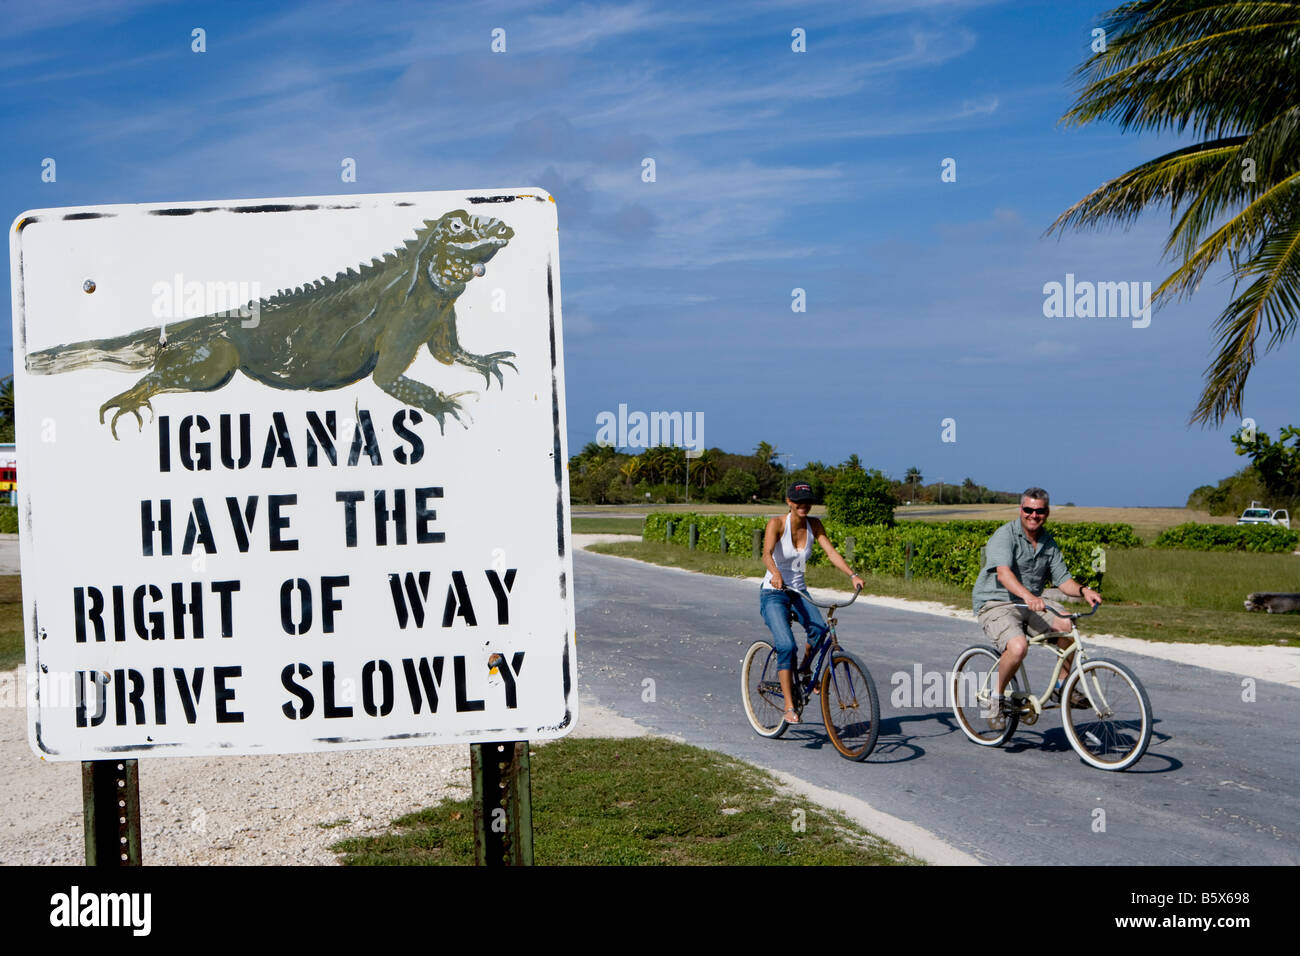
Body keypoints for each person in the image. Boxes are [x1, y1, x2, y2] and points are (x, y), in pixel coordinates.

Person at [971, 487, 1101, 728]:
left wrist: (1084, 591)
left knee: (1067, 623)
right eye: (1028, 509)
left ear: (1047, 513)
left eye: (1039, 511)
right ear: (1020, 509)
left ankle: (1062, 687)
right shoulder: (1005, 535)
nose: (1033, 515)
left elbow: (1063, 580)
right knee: (1018, 647)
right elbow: (1004, 574)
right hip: (996, 603)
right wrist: (1029, 596)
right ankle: (996, 699)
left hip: (1029, 602)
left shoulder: (1048, 543)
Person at [760, 481, 864, 724]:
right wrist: (775, 573)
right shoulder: (777, 524)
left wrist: (852, 575)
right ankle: (789, 706)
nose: (803, 505)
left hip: (798, 591)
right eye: (798, 501)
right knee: (787, 646)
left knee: (819, 630)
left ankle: (805, 669)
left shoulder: (814, 524)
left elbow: (831, 552)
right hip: (774, 592)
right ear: (789, 502)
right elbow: (766, 553)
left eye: (807, 501)